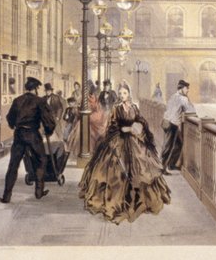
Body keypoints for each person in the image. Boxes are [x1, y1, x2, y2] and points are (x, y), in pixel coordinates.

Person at [79, 81, 171, 223]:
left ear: (129, 94)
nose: (122, 95)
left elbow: (141, 121)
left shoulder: (134, 107)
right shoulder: (116, 108)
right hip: (119, 140)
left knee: (142, 166)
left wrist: (138, 126)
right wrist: (123, 129)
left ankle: (140, 201)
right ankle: (118, 201)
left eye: (125, 93)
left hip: (134, 140)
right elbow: (112, 126)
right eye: (121, 93)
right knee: (115, 170)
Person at [0, 76, 56, 203]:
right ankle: (39, 191)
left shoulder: (17, 100)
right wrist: (48, 130)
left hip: (19, 135)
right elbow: (49, 121)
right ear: (35, 89)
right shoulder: (40, 101)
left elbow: (10, 118)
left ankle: (6, 196)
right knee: (41, 159)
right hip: (32, 135)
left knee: (13, 165)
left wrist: (15, 126)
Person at [160, 79, 197, 173]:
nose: (188, 90)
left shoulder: (173, 96)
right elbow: (191, 111)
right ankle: (162, 167)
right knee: (168, 146)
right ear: (182, 88)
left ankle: (171, 164)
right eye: (186, 88)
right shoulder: (182, 98)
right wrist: (188, 99)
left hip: (165, 122)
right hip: (172, 124)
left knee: (178, 144)